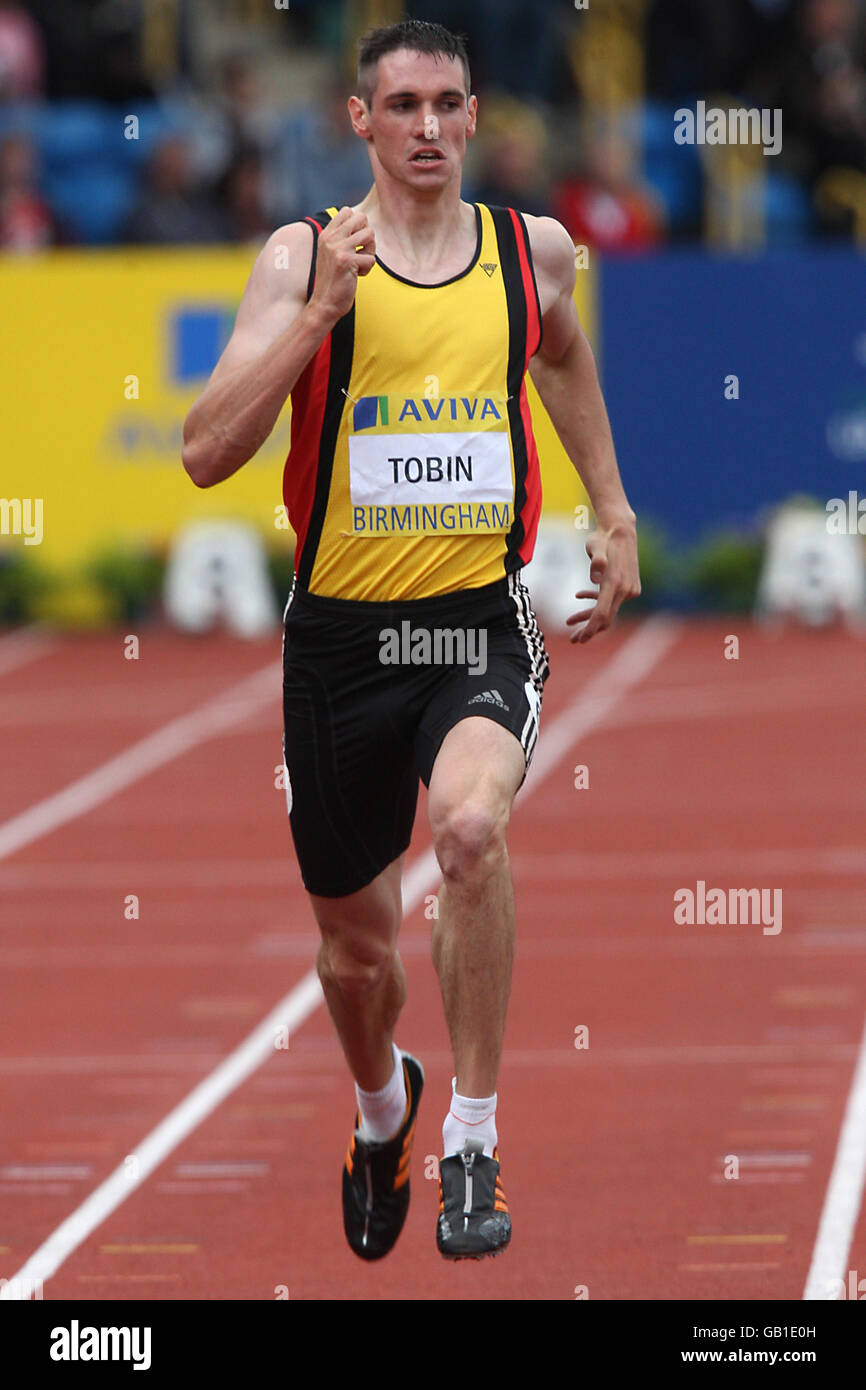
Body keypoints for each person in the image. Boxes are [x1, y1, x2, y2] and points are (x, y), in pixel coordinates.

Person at [182, 19, 640, 1263]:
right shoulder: (302, 258)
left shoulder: (526, 252)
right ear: (359, 121)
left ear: (474, 116)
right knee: (353, 951)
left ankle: (474, 1139)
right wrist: (314, 317)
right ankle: (383, 1105)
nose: (426, 127)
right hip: (336, 642)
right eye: (402, 105)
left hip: (470, 628)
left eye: (447, 103)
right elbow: (203, 449)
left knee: (471, 831)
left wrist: (608, 503)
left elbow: (560, 355)